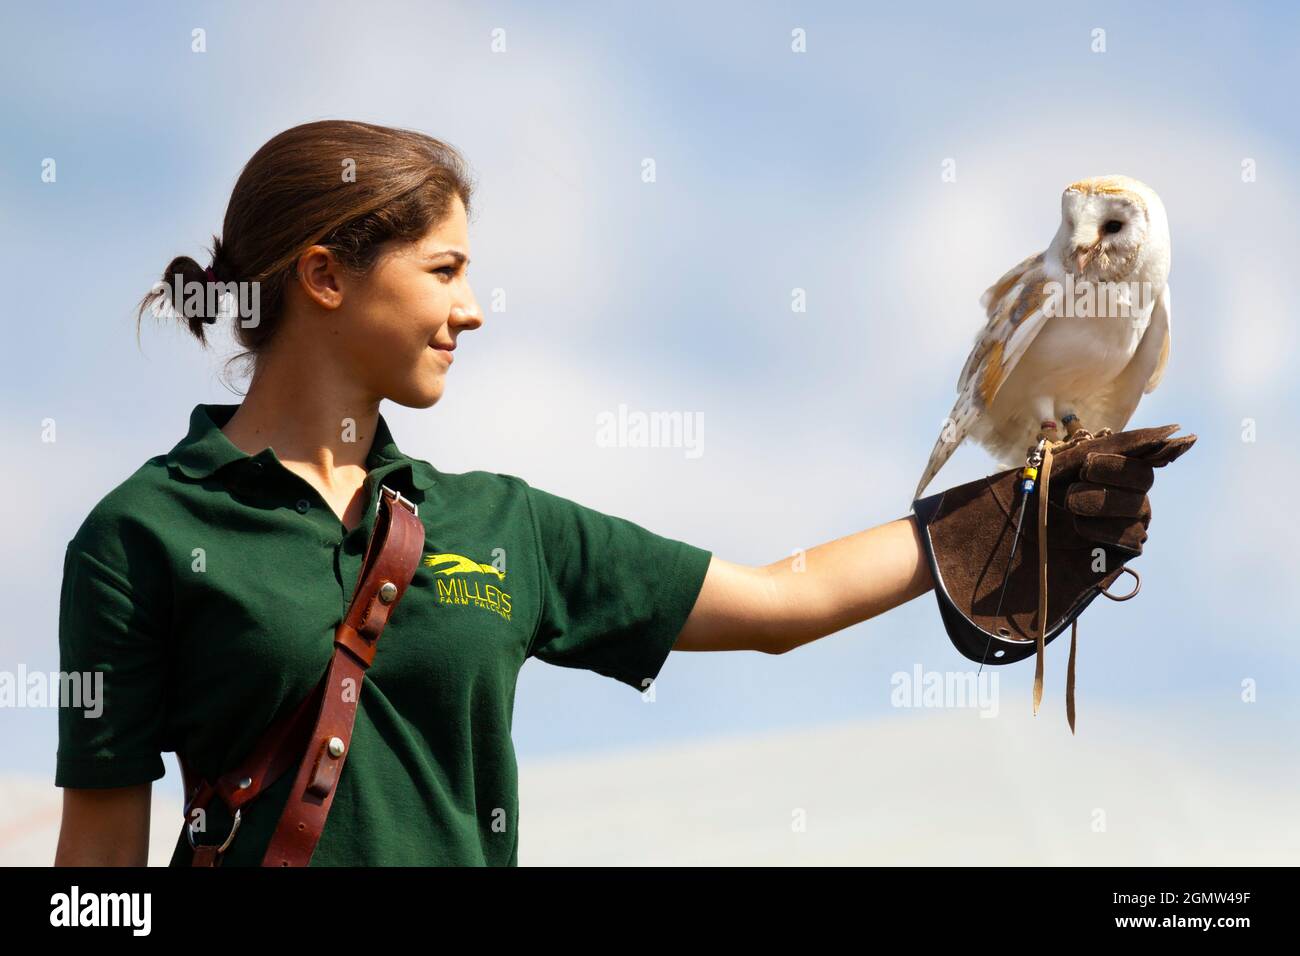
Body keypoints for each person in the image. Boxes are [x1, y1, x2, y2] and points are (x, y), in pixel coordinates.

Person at [52, 120, 1184, 867]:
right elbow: (95, 866)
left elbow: (774, 605)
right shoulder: (143, 535)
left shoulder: (501, 524)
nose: (476, 307)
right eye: (443, 270)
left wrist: (984, 523)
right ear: (325, 276)